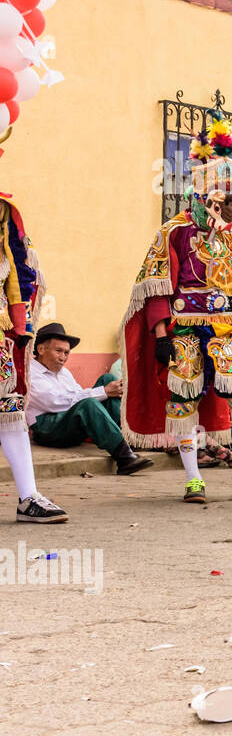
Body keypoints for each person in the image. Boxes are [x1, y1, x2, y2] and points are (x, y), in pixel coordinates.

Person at [120, 108, 232, 503]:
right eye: (227, 202)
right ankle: (192, 479)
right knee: (184, 401)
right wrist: (161, 334)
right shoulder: (175, 232)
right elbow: (155, 288)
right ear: (203, 197)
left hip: (225, 329)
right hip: (183, 329)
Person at [0, 185, 69, 523]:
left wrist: (19, 321)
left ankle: (28, 497)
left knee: (9, 406)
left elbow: (16, 271)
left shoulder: (4, 210)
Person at [26, 323, 153, 475]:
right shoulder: (30, 372)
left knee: (108, 379)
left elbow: (78, 393)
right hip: (47, 428)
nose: (63, 357)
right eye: (58, 351)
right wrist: (103, 392)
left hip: (67, 422)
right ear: (41, 350)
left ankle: (127, 438)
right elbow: (54, 403)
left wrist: (104, 390)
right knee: (90, 403)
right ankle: (124, 458)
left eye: (66, 353)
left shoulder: (64, 373)